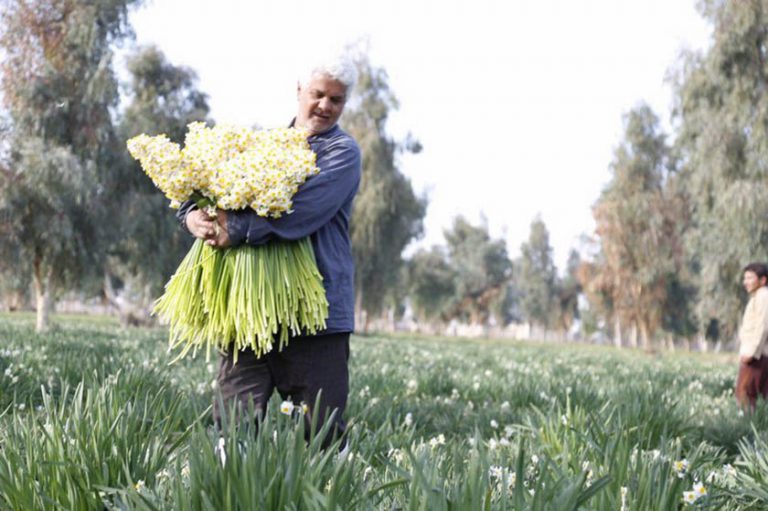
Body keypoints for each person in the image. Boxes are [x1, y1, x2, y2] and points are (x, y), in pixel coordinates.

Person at [177, 56, 361, 448]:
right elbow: (204, 186)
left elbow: (302, 211)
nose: (325, 106)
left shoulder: (342, 153)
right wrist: (192, 216)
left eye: (336, 99)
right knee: (234, 424)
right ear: (299, 91)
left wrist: (236, 228)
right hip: (249, 311)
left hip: (318, 315)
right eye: (318, 94)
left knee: (322, 430)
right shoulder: (258, 146)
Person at [735, 262, 768, 409]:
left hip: (756, 356)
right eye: (744, 278)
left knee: (745, 394)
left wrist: (752, 353)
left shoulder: (763, 296)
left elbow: (763, 327)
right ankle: (759, 428)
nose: (745, 282)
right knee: (760, 395)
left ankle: (747, 429)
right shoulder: (758, 297)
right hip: (759, 355)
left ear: (762, 280)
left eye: (749, 278)